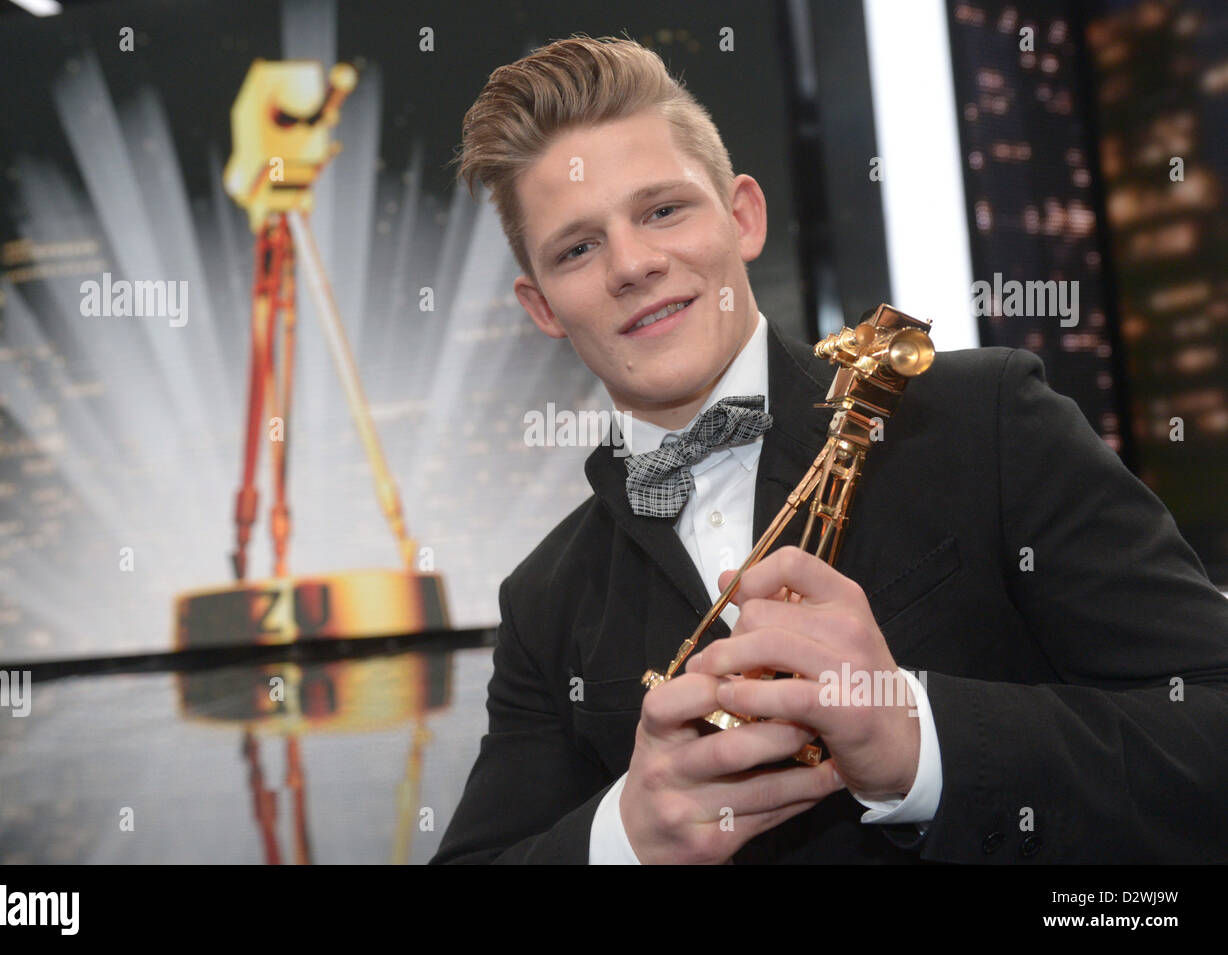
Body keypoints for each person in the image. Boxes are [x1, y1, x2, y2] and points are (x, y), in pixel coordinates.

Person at [430, 34, 1228, 864]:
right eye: (577, 248)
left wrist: (920, 741)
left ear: (743, 216)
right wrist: (622, 838)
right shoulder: (542, 601)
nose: (632, 263)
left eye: (663, 209)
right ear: (542, 306)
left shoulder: (986, 418)